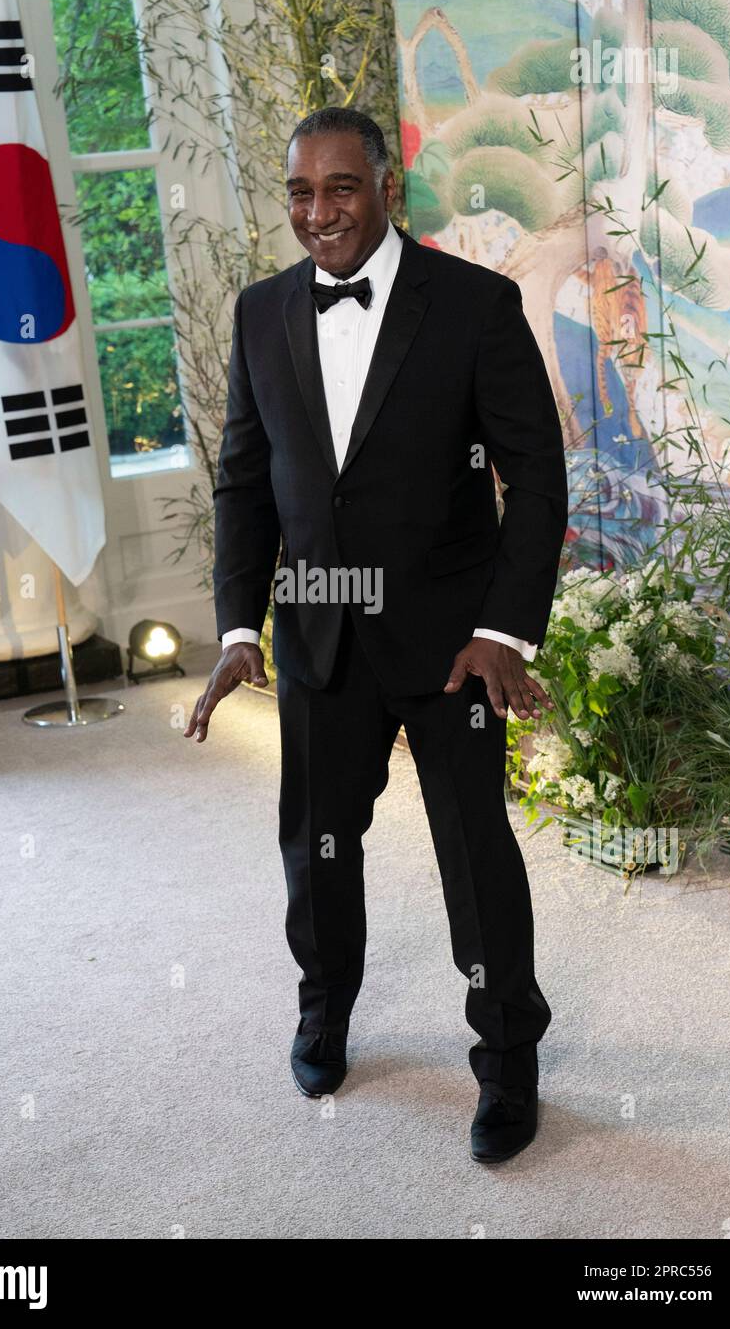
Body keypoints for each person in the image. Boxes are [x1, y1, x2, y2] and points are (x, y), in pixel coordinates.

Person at [185, 107, 568, 1164]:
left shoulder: (474, 306)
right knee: (315, 846)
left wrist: (502, 630)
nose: (319, 214)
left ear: (386, 184)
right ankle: (323, 1007)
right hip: (316, 629)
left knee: (471, 850)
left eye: (340, 189)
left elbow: (533, 477)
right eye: (301, 193)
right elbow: (243, 483)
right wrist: (234, 624)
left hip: (453, 644)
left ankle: (504, 1058)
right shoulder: (260, 312)